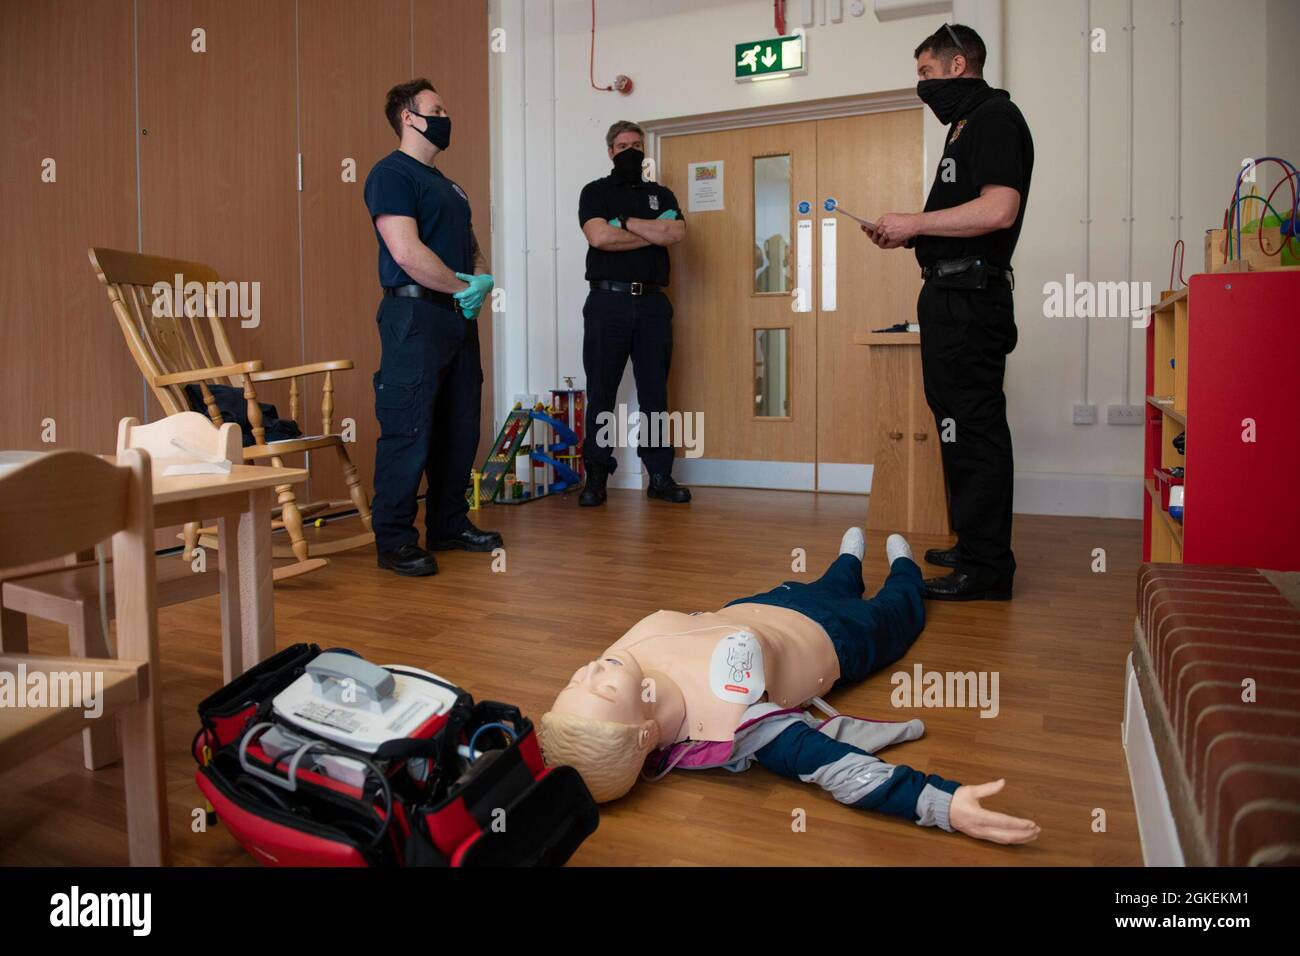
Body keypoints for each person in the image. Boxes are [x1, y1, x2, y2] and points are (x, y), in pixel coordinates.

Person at [541, 529, 1040, 845]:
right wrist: (941, 803)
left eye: (575, 679)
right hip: (838, 639)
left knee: (827, 583)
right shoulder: (735, 721)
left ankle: (848, 560)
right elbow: (835, 767)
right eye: (601, 689)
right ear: (647, 732)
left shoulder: (625, 661)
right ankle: (904, 567)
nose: (591, 670)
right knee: (901, 610)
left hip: (761, 605)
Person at [865, 24, 1033, 602]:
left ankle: (987, 570)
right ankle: (973, 545)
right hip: (948, 294)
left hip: (970, 298)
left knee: (975, 426)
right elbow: (961, 217)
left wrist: (915, 223)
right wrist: (911, 236)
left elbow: (998, 208)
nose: (922, 86)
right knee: (955, 423)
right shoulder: (965, 125)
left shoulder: (993, 118)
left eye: (926, 74)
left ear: (959, 65)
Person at [362, 79, 502, 577]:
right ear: (409, 117)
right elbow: (406, 251)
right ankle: (395, 539)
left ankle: (448, 522)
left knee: (460, 424)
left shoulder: (450, 185)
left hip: (455, 316)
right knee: (410, 426)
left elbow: (470, 246)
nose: (446, 116)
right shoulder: (391, 174)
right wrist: (459, 287)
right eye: (436, 108)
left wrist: (479, 281)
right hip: (414, 316)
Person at [576, 121, 691, 507]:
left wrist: (624, 223)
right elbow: (598, 238)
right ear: (610, 151)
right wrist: (649, 233)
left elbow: (675, 234)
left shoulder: (661, 194)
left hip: (653, 304)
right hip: (607, 302)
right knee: (601, 394)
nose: (630, 151)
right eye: (623, 145)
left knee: (655, 394)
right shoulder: (595, 192)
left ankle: (659, 475)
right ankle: (595, 476)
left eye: (637, 145)